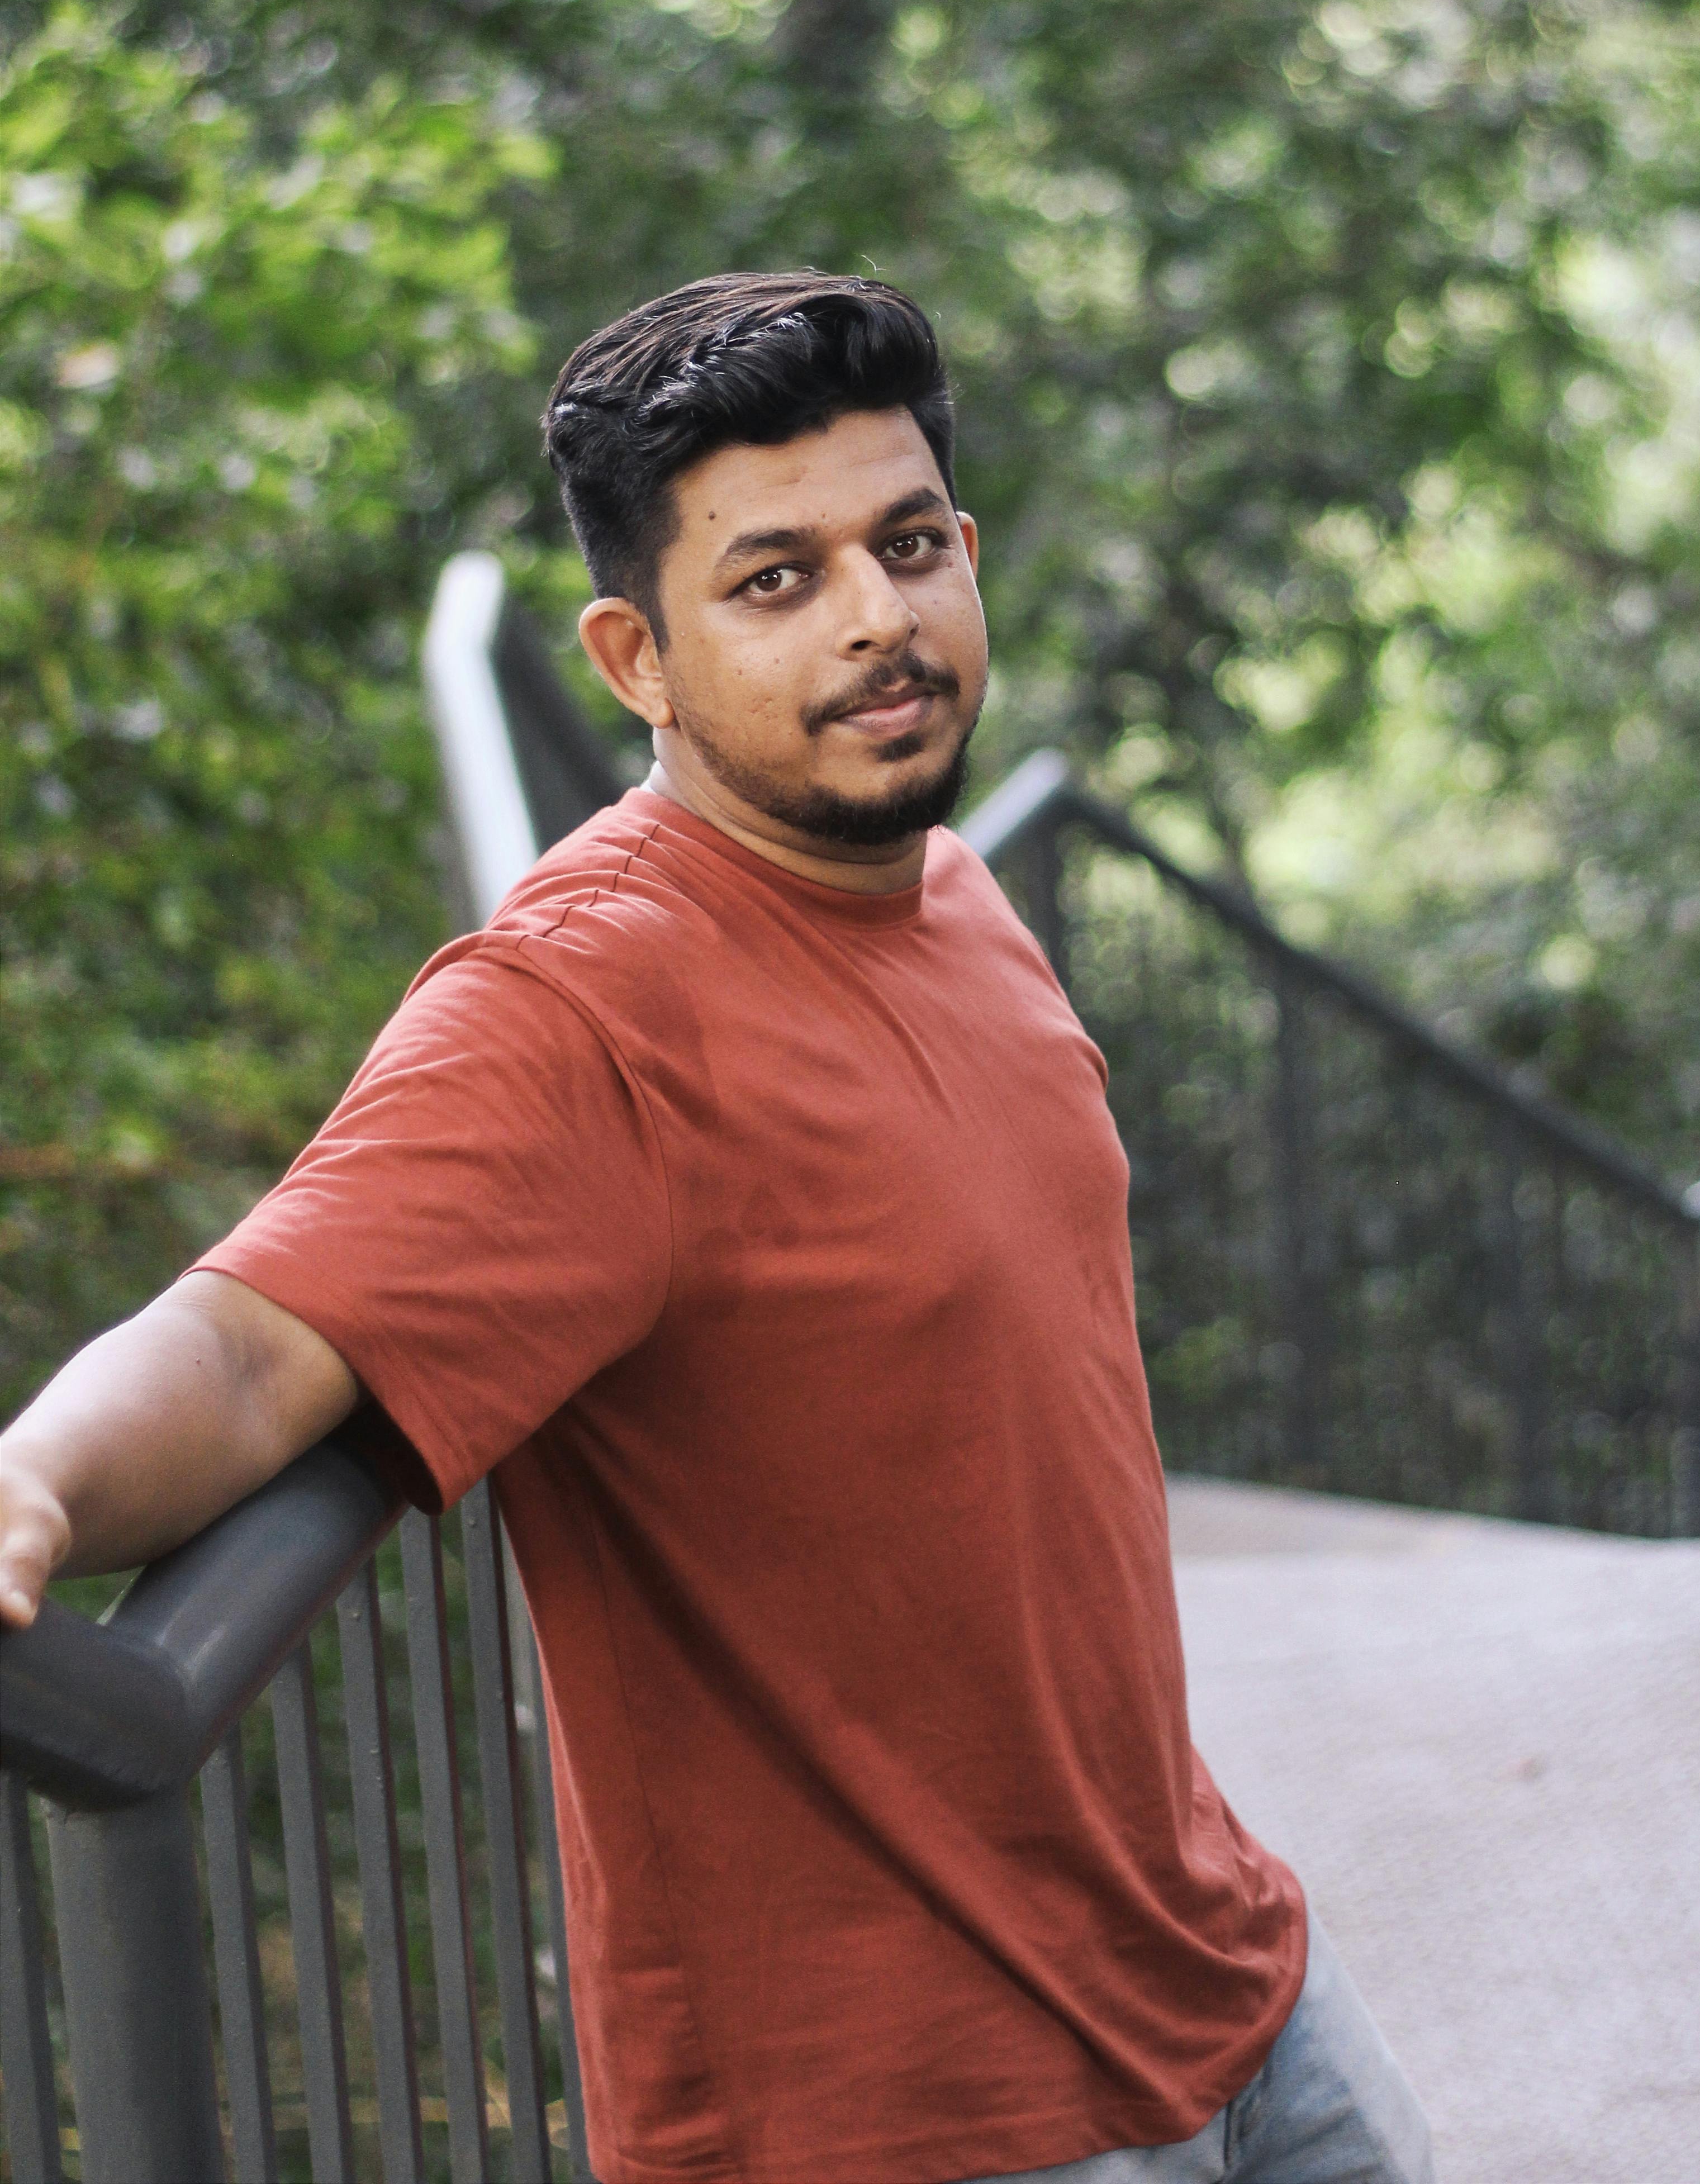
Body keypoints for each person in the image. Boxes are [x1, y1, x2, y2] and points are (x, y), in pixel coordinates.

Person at [0, 271, 1434, 2184]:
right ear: (634, 659)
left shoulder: (947, 878)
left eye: (908, 545)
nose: (875, 618)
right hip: (909, 2122)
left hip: (1223, 1975)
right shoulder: (582, 1010)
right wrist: (34, 1482)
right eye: (777, 580)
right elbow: (257, 1339)